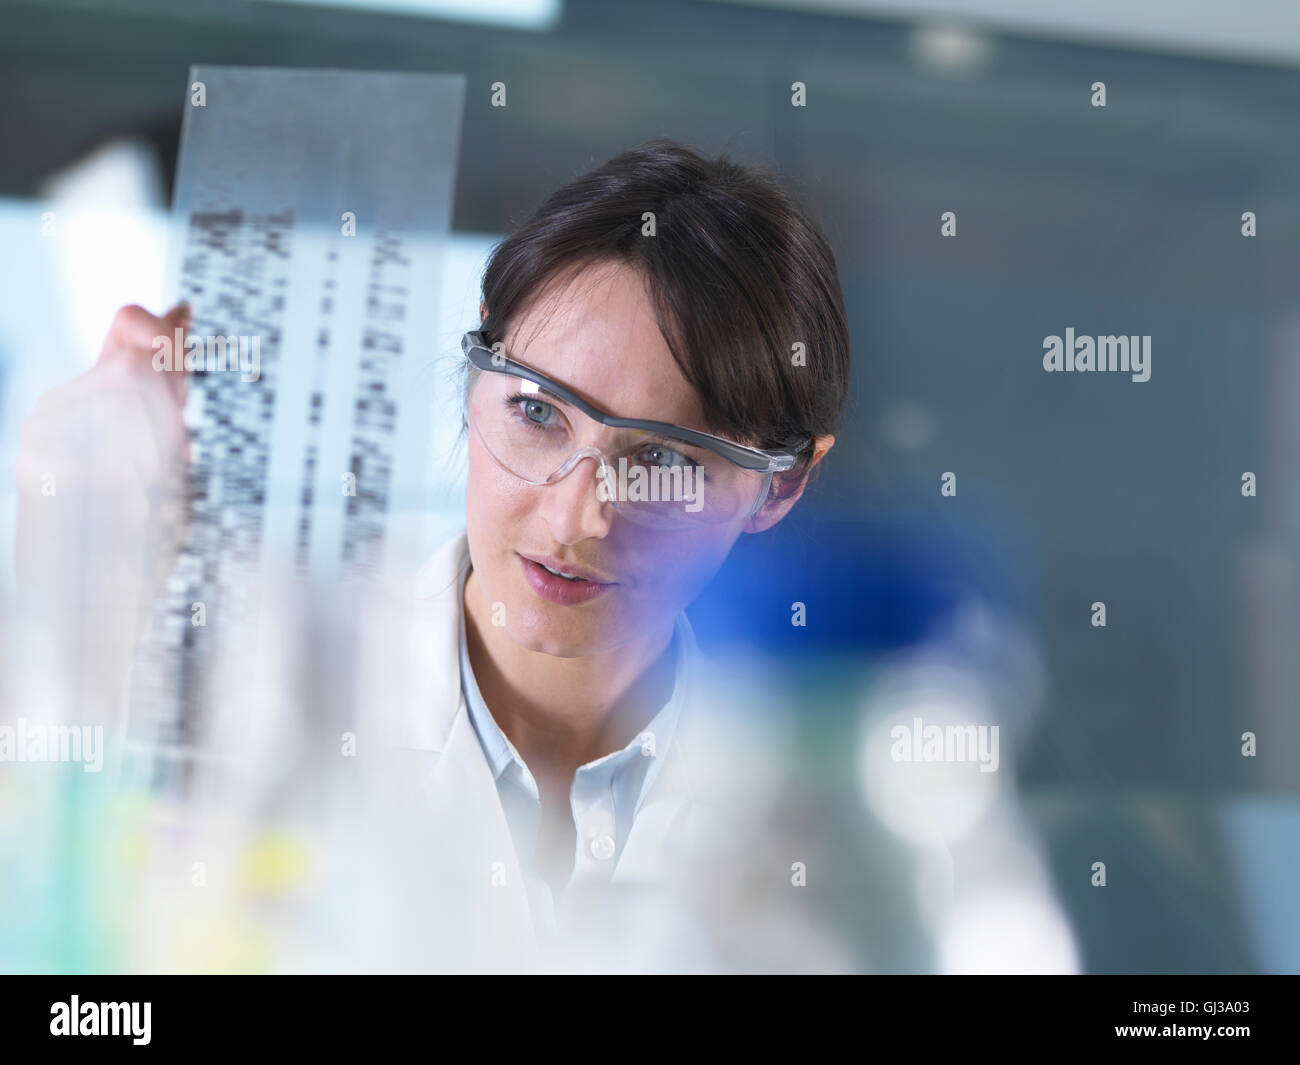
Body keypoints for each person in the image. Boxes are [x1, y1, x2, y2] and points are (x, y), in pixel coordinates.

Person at [15, 138, 852, 971]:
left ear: (781, 486)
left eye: (665, 461)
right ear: (476, 366)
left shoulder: (834, 826)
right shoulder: (254, 701)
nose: (576, 517)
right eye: (536, 412)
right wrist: (75, 556)